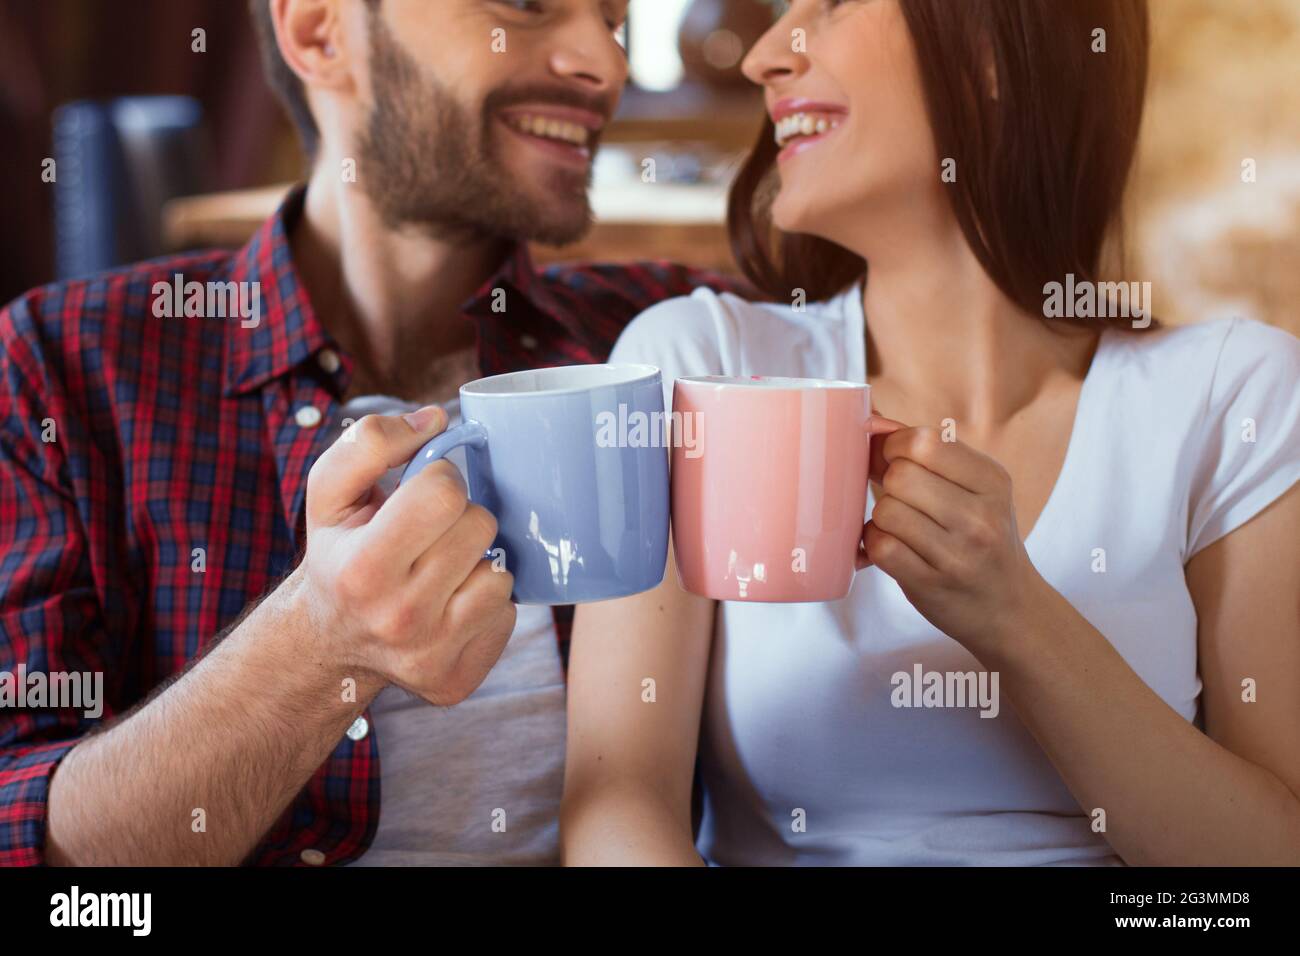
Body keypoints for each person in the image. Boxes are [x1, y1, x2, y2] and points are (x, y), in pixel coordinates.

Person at [0, 0, 741, 866]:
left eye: (614, 21)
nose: (605, 66)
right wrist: (321, 645)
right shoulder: (63, 365)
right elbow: (30, 849)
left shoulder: (666, 338)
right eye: (528, 7)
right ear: (319, 30)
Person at [561, 0, 1300, 866]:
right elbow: (615, 815)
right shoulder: (698, 361)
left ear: (992, 45)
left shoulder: (1233, 392)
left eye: (827, 5)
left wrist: (1017, 619)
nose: (764, 55)